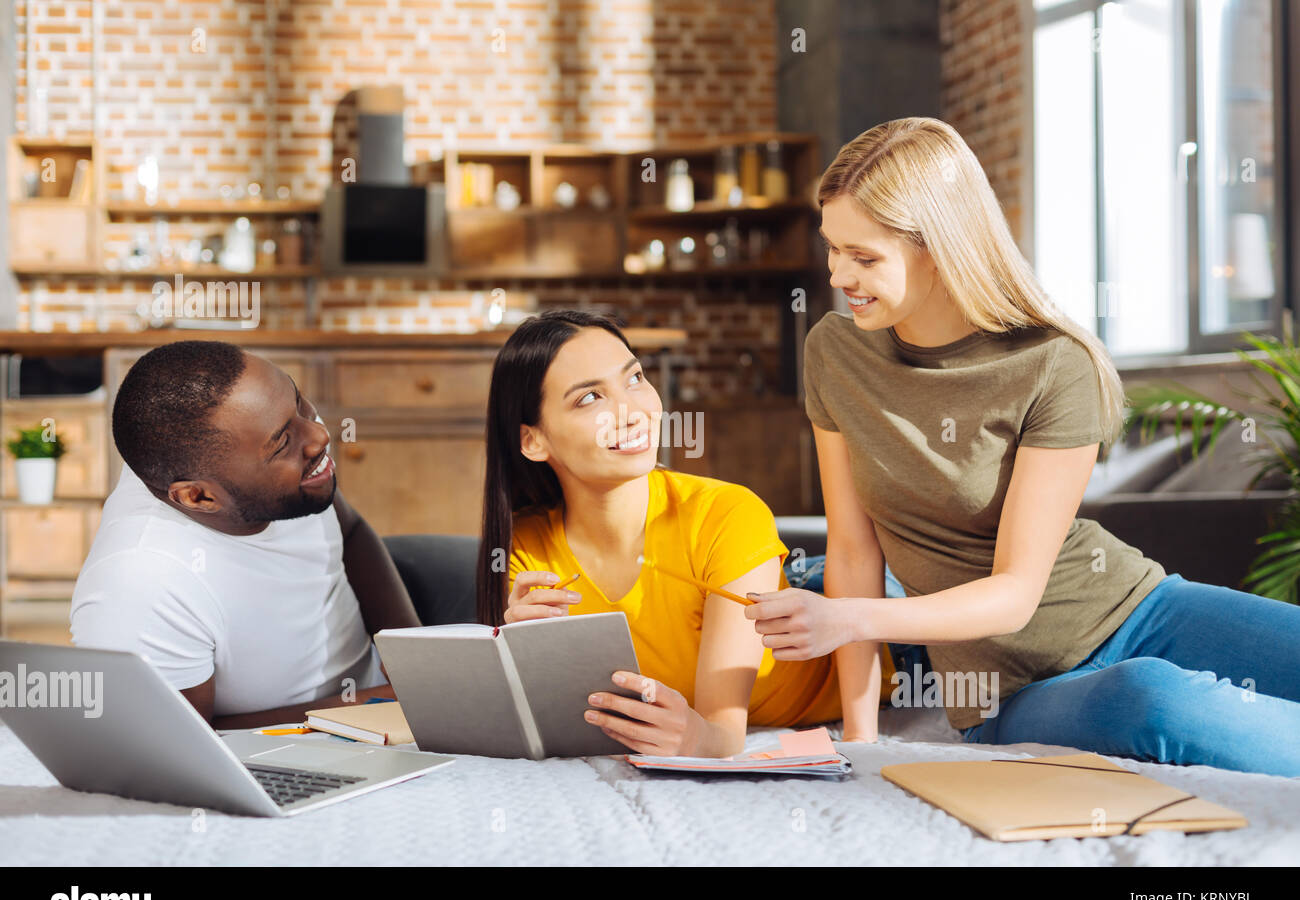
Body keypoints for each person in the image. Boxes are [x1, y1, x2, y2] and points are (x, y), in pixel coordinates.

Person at [744, 116, 1300, 776]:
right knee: (1154, 701)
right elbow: (852, 547)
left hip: (1139, 609)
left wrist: (848, 619)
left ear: (940, 248)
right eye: (833, 249)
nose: (838, 275)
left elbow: (1015, 592)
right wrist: (861, 742)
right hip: (1008, 690)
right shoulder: (835, 354)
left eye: (864, 257)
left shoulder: (1056, 363)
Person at [475, 309, 885, 758]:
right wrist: (522, 656)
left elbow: (720, 736)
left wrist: (696, 738)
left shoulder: (729, 515)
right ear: (533, 440)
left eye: (634, 379)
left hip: (888, 640)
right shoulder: (526, 550)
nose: (630, 412)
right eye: (590, 398)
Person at [71, 341, 420, 729]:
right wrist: (360, 708)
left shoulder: (273, 425)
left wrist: (412, 663)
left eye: (300, 401)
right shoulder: (142, 583)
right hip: (283, 752)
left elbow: (350, 529)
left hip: (387, 705)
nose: (319, 435)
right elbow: (185, 745)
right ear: (199, 497)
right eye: (283, 443)